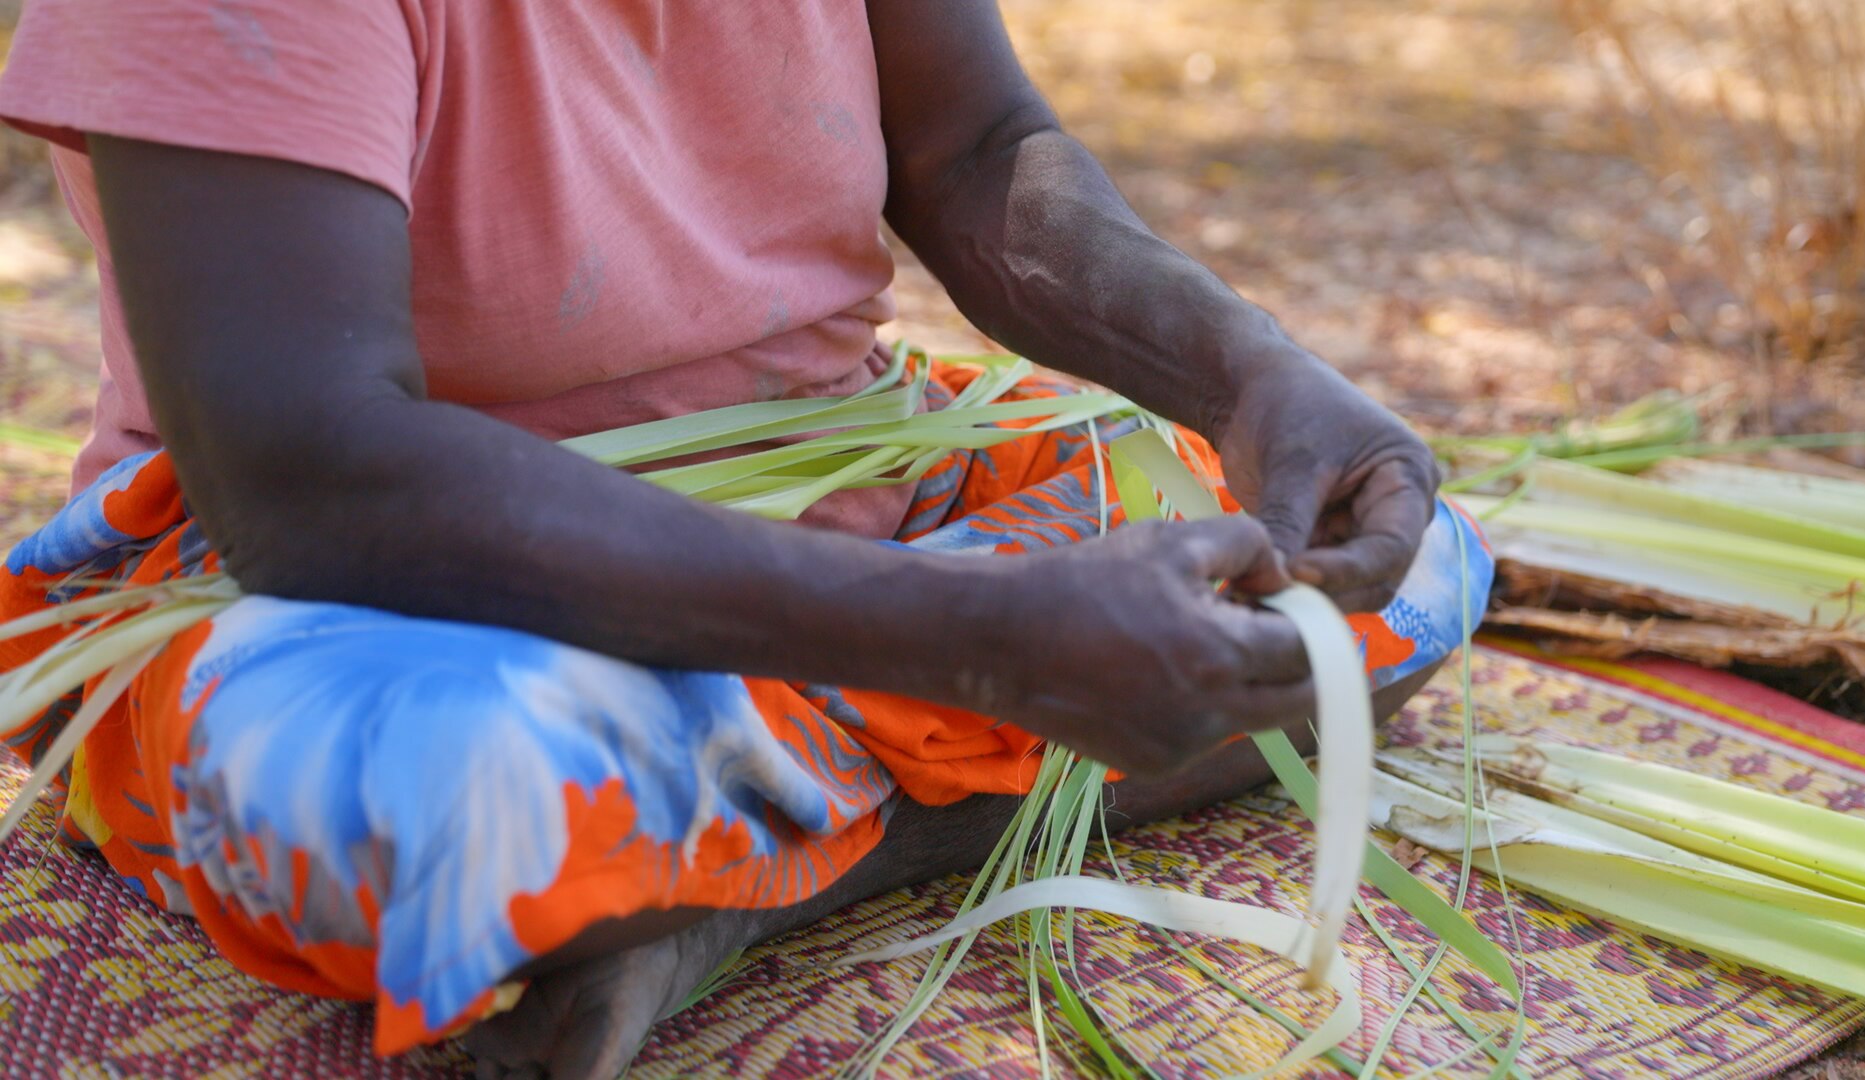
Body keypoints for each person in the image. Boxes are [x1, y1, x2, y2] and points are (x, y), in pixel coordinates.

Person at [0, 2, 1489, 1076]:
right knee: (474, 809)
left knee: (1385, 562)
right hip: (408, 580)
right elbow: (308, 472)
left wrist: (1250, 373)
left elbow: (975, 147)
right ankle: (791, 794)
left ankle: (740, 878)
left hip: (862, 475)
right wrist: (973, 639)